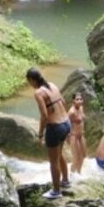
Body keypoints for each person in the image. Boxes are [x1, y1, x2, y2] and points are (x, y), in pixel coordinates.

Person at [27, 67, 70, 199]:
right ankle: (65, 181)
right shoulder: (52, 85)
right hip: (66, 123)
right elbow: (63, 102)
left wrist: (40, 135)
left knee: (53, 161)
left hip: (55, 127)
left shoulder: (39, 93)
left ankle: (56, 191)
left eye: (29, 81)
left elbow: (44, 116)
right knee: (60, 154)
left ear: (32, 80)